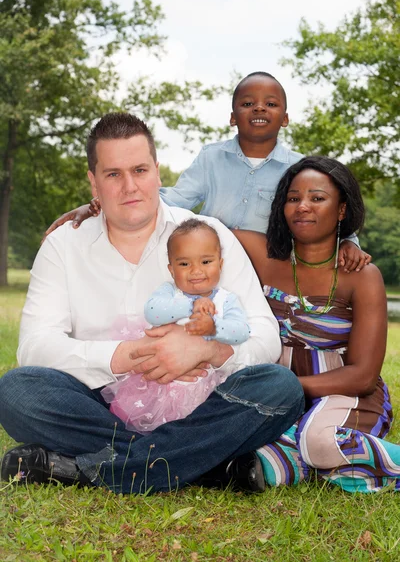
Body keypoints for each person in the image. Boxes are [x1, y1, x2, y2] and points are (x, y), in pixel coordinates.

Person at [0, 112, 305, 494]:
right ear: (93, 181)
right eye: (113, 174)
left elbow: (264, 336)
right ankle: (203, 465)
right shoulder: (62, 246)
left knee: (281, 388)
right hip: (99, 405)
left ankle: (87, 469)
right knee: (16, 391)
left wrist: (204, 350)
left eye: (140, 170)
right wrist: (124, 355)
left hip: (200, 400)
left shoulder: (210, 237)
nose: (130, 186)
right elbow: (36, 345)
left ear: (158, 172)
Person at [44, 72, 370, 273]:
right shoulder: (211, 158)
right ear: (232, 116)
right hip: (213, 267)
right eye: (247, 103)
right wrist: (102, 202)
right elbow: (173, 198)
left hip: (273, 273)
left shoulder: (300, 168)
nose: (258, 108)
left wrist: (349, 241)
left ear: (285, 118)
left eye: (270, 104)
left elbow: (323, 214)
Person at [234, 156, 400, 493]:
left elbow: (363, 375)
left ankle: (304, 450)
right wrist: (96, 210)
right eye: (293, 198)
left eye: (317, 198)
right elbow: (190, 226)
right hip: (278, 397)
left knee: (318, 438)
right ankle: (295, 461)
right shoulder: (259, 254)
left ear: (341, 210)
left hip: (345, 392)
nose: (302, 207)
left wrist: (287, 387)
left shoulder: (362, 277)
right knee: (241, 447)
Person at [102, 218, 251, 433]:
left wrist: (214, 328)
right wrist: (191, 306)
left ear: (220, 263)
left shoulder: (227, 300)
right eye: (184, 264)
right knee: (138, 425)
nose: (196, 271)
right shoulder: (171, 292)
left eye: (206, 262)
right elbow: (152, 311)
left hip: (202, 385)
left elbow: (241, 331)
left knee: (199, 427)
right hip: (159, 385)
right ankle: (139, 448)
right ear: (171, 270)